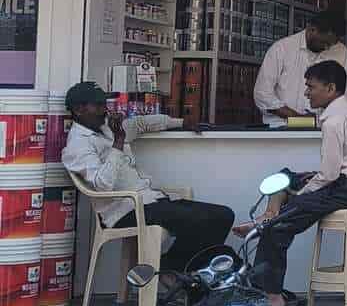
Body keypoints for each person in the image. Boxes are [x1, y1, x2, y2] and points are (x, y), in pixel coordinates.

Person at [61, 81, 233, 275]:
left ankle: (173, 268)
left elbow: (141, 124)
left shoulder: (107, 128)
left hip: (150, 201)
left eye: (105, 104)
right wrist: (118, 142)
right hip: (125, 211)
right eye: (98, 105)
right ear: (79, 110)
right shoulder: (77, 146)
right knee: (202, 221)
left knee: (223, 215)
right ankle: (174, 270)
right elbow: (102, 185)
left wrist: (181, 123)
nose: (105, 110)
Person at [250, 60, 347, 306]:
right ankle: (272, 211)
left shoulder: (333, 121)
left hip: (345, 189)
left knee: (276, 228)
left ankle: (271, 295)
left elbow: (329, 174)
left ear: (330, 88)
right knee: (287, 175)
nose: (306, 93)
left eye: (311, 87)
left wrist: (302, 193)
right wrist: (306, 184)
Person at [253, 10, 347, 127]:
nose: (327, 48)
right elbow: (262, 94)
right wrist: (299, 119)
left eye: (330, 44)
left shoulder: (340, 51)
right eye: (324, 43)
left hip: (324, 128)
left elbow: (345, 96)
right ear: (312, 29)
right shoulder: (282, 49)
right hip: (281, 127)